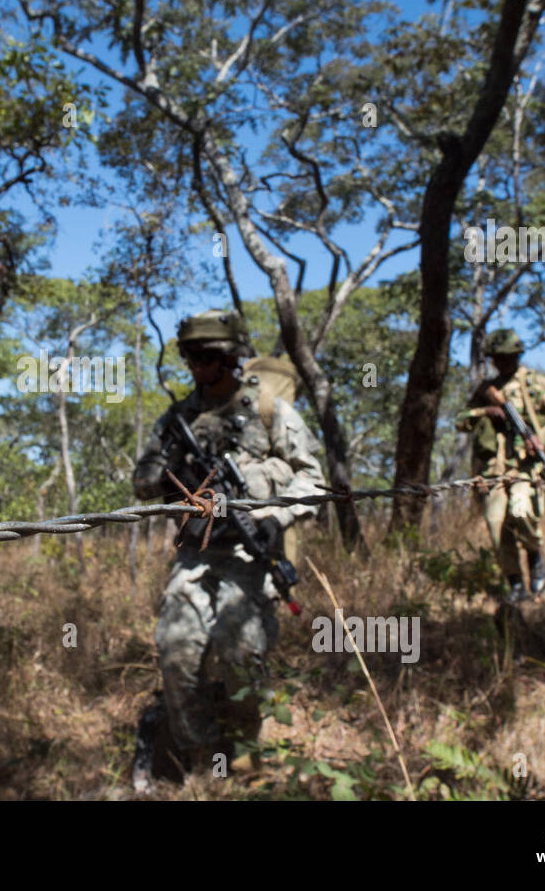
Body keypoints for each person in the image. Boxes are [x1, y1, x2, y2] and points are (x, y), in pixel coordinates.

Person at [130, 309, 326, 790]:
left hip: (249, 552)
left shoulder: (267, 409)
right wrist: (173, 472)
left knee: (240, 651)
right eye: (191, 356)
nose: (198, 365)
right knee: (175, 649)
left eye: (208, 356)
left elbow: (313, 479)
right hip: (195, 554)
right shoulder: (177, 419)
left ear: (231, 357)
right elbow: (143, 481)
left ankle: (244, 754)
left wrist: (273, 515)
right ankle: (200, 755)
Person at [456, 329, 545, 605]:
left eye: (508, 356)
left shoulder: (536, 384)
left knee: (521, 513)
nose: (503, 362)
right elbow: (461, 420)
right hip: (493, 470)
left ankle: (535, 556)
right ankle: (515, 583)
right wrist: (486, 412)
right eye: (497, 357)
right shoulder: (487, 390)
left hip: (525, 468)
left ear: (518, 355)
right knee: (496, 525)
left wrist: (541, 438)